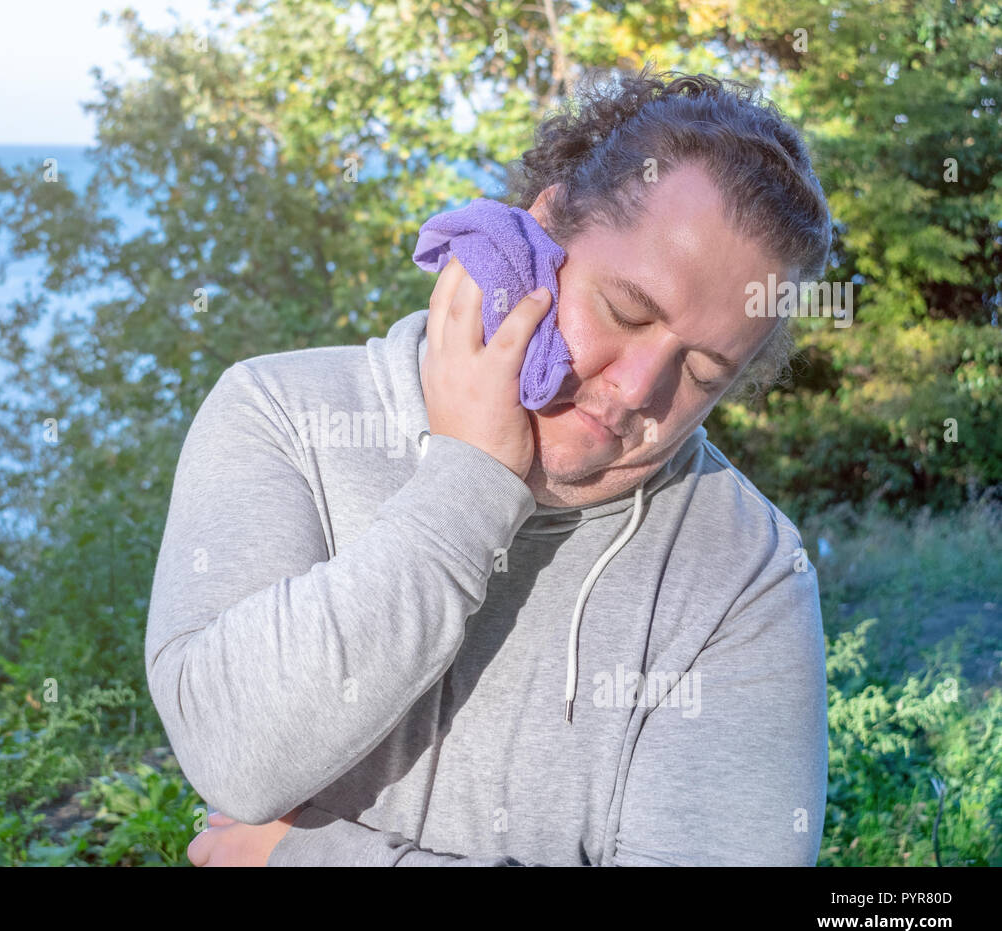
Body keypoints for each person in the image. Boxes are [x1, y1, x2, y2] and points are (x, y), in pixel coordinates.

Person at [148, 65, 834, 866]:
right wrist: (468, 479)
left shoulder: (746, 571)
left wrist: (304, 858)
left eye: (704, 374)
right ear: (542, 230)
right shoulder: (282, 414)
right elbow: (236, 757)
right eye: (625, 310)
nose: (637, 388)